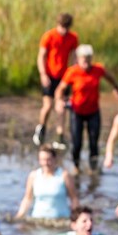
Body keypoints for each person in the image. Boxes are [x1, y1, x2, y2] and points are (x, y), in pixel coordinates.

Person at [54, 44, 118, 173]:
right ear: (78, 59)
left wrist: (116, 87)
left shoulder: (98, 69)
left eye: (88, 58)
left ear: (91, 58)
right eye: (83, 58)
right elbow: (60, 89)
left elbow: (110, 77)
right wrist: (59, 101)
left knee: (93, 143)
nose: (85, 61)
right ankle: (76, 167)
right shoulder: (72, 72)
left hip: (93, 112)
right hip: (77, 112)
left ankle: (94, 169)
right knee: (77, 143)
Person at [35, 13, 79, 148]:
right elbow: (41, 56)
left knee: (61, 107)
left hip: (64, 77)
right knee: (48, 106)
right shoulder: (49, 36)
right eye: (62, 27)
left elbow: (74, 57)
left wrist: (72, 75)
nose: (64, 30)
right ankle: (41, 129)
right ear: (57, 24)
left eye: (66, 27)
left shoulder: (73, 38)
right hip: (49, 75)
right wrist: (43, 74)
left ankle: (60, 137)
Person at [15, 146, 79, 221]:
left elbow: (74, 199)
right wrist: (19, 217)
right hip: (38, 220)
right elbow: (27, 199)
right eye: (42, 160)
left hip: (61, 220)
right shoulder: (33, 176)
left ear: (55, 159)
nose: (45, 163)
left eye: (48, 160)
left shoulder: (64, 175)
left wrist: (76, 218)